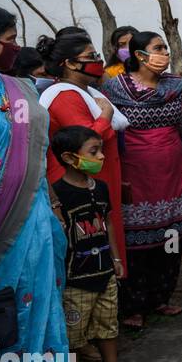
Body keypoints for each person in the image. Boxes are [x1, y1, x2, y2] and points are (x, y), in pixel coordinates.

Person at [0, 2, 82, 362]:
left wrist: (52, 206)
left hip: (33, 219)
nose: (16, 46)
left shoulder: (16, 88)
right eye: (10, 38)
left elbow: (35, 157)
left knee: (39, 311)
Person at [100, 32, 182, 328]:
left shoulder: (177, 87)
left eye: (165, 48)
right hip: (134, 174)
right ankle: (134, 306)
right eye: (158, 48)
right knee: (135, 240)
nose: (164, 53)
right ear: (140, 55)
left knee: (170, 236)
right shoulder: (113, 89)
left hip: (171, 173)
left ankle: (161, 297)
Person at [50, 125, 143, 362]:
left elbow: (109, 223)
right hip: (75, 279)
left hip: (104, 273)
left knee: (107, 322)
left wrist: (116, 259)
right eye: (94, 151)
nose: (102, 156)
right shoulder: (59, 195)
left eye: (101, 150)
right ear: (69, 158)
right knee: (73, 331)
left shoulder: (100, 188)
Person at [36, 30, 129, 276]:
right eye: (91, 56)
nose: (98, 60)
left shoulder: (87, 91)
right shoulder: (65, 96)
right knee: (90, 247)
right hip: (78, 184)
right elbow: (87, 143)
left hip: (98, 178)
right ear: (70, 63)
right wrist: (106, 117)